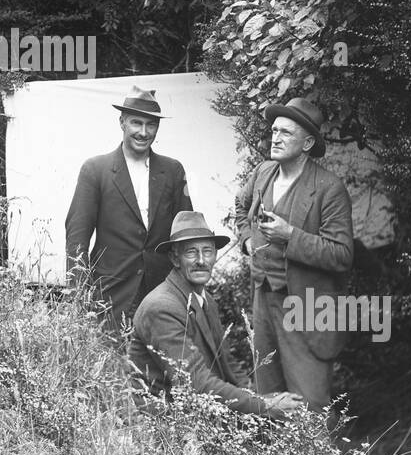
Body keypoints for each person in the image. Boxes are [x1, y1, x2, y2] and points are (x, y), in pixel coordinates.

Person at [235, 97, 354, 411]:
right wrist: (247, 241)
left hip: (306, 309)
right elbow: (239, 208)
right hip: (263, 301)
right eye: (274, 130)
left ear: (307, 142)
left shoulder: (329, 189)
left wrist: (291, 237)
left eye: (286, 132)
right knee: (270, 402)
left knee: (309, 407)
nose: (275, 137)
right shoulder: (263, 173)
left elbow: (342, 254)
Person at [128, 211, 304, 417]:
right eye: (191, 252)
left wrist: (263, 399)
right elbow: (196, 382)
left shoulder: (205, 300)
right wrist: (265, 406)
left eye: (208, 251)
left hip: (201, 410)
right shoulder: (161, 307)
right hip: (169, 423)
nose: (201, 260)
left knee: (294, 414)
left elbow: (227, 365)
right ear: (175, 258)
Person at [65, 86, 192, 339]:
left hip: (161, 293)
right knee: (110, 371)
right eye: (136, 123)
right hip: (110, 295)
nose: (143, 133)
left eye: (151, 125)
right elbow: (77, 236)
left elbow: (186, 233)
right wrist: (79, 296)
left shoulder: (173, 170)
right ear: (122, 122)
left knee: (159, 370)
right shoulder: (95, 170)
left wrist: (187, 288)